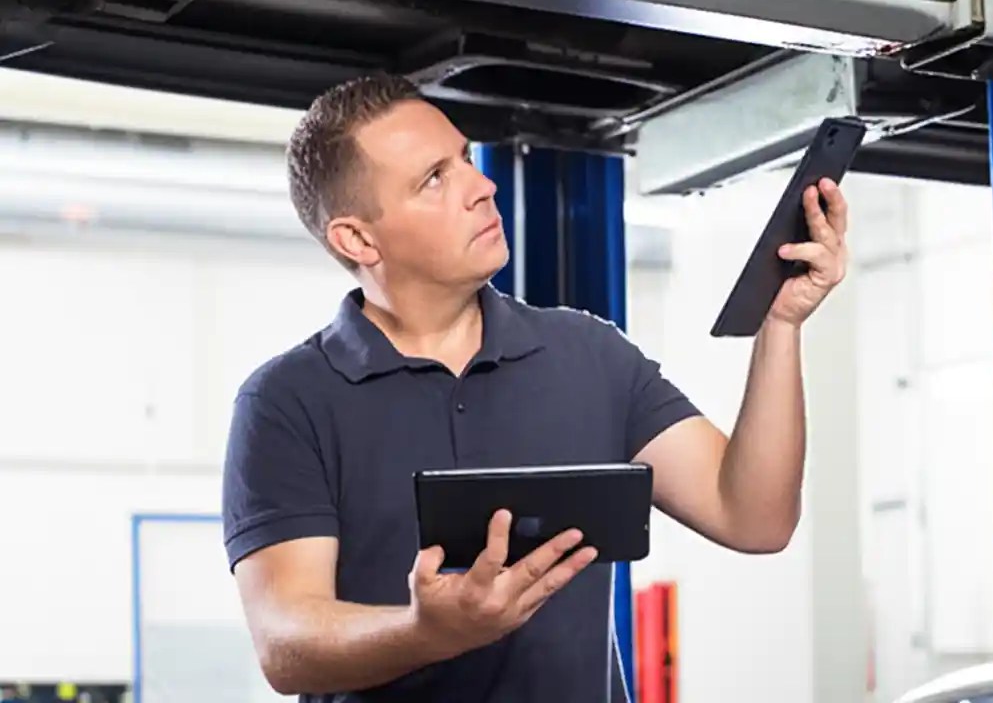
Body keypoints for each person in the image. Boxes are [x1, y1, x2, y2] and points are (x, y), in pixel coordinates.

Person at [221, 73, 850, 703]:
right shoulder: (286, 401)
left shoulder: (588, 354)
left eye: (466, 158)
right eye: (434, 179)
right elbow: (287, 643)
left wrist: (780, 323)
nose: (482, 186)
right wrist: (425, 632)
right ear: (358, 238)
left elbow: (755, 517)